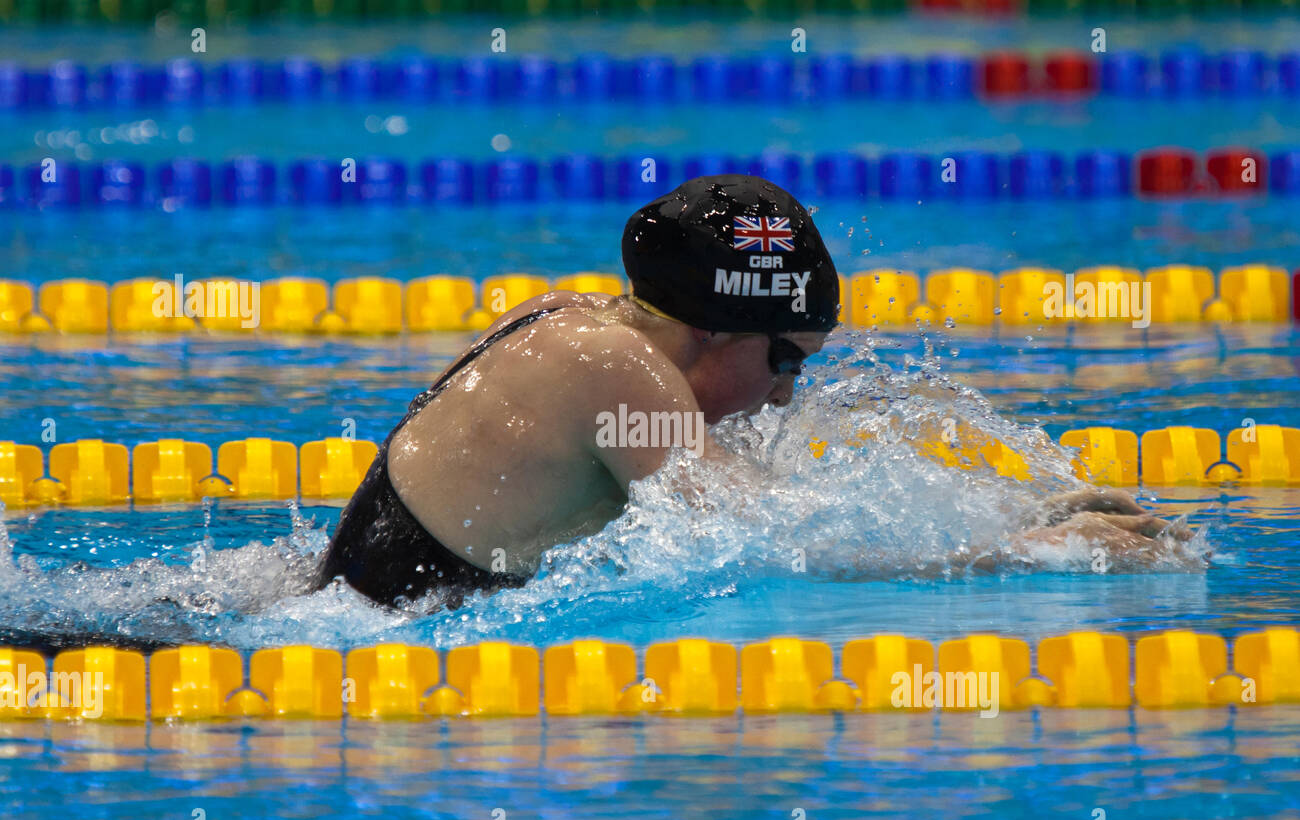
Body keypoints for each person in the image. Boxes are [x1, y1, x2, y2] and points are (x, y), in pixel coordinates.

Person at [313, 174, 1190, 608]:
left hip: (339, 613)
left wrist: (1017, 508)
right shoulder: (617, 372)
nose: (780, 399)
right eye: (784, 362)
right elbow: (770, 548)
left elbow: (784, 511)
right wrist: (1033, 554)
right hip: (376, 651)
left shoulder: (576, 321)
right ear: (715, 328)